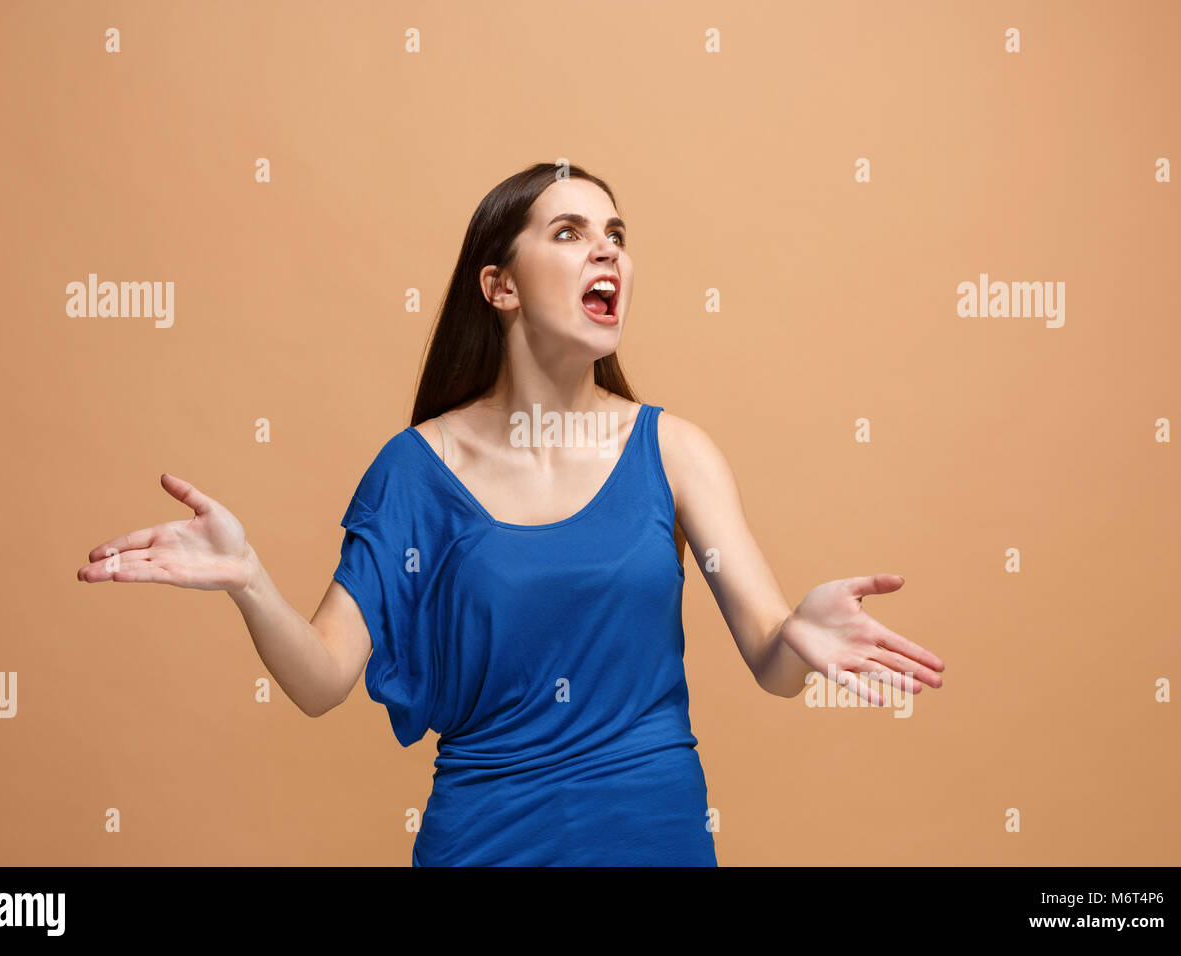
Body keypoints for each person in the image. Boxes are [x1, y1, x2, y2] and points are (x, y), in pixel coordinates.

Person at [77, 161, 945, 866]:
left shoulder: (675, 452)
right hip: (484, 843)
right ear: (499, 286)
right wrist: (248, 579)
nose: (605, 251)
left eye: (616, 235)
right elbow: (321, 680)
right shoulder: (418, 470)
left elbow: (769, 658)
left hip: (657, 840)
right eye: (569, 233)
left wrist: (800, 633)